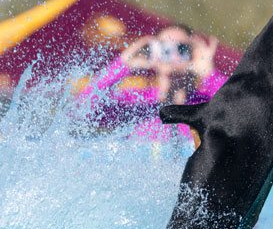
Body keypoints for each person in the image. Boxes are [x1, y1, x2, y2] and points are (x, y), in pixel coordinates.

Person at [83, 24, 226, 145]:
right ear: (153, 50)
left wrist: (210, 74)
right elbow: (83, 109)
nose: (173, 55)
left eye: (181, 48)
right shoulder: (137, 101)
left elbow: (243, 114)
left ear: (193, 53)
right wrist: (124, 64)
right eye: (165, 47)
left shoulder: (207, 104)